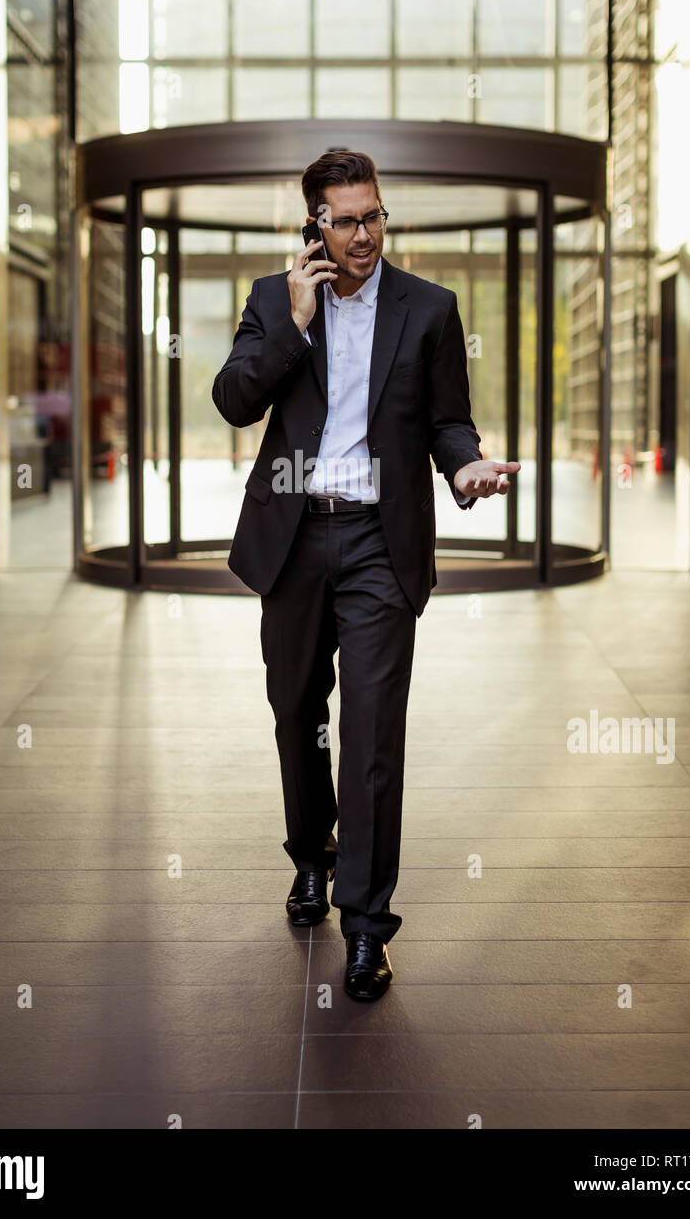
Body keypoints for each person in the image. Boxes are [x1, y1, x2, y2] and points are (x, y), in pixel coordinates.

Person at [212, 149, 519, 1000]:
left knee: (374, 736)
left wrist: (465, 469)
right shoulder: (277, 300)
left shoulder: (429, 310)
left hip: (382, 545)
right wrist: (295, 324)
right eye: (344, 220)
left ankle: (366, 925)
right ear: (313, 224)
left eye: (373, 216)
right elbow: (234, 399)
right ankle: (312, 857)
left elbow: (449, 423)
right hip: (295, 539)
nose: (363, 235)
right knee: (297, 715)